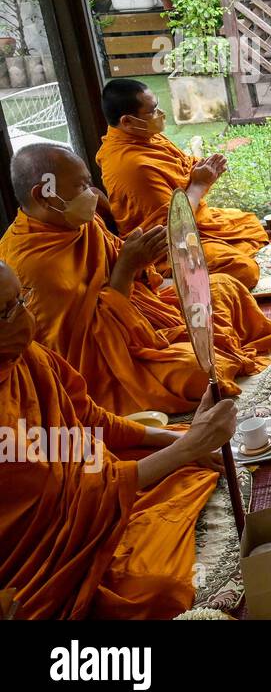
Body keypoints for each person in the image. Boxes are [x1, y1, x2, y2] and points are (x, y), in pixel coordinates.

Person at [0, 260, 237, 619]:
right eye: (7, 310)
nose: (24, 315)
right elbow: (58, 489)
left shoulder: (22, 356)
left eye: (22, 298)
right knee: (161, 591)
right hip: (48, 557)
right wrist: (185, 448)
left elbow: (89, 420)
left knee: (192, 460)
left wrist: (176, 440)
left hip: (88, 483)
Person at [0, 143, 271, 415]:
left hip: (145, 316)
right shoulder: (32, 265)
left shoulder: (74, 221)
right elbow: (83, 356)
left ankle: (212, 345)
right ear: (43, 195)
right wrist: (127, 266)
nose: (90, 193)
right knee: (197, 370)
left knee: (224, 286)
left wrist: (139, 261)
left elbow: (133, 276)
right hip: (113, 364)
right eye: (80, 186)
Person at [96, 78, 268, 290]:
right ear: (127, 121)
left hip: (194, 220)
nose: (160, 115)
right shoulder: (134, 167)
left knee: (250, 224)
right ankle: (171, 281)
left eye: (157, 106)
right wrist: (199, 185)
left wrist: (203, 171)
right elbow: (172, 229)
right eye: (151, 111)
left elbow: (183, 169)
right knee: (244, 270)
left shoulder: (144, 137)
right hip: (167, 249)